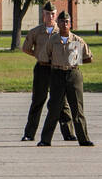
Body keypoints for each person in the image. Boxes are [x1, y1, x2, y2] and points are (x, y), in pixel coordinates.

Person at [38, 11, 94, 147]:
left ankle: (84, 139)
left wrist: (73, 63)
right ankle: (45, 140)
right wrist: (56, 63)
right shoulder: (53, 40)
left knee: (77, 108)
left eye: (67, 22)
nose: (64, 24)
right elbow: (43, 58)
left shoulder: (77, 40)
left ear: (71, 24)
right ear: (59, 23)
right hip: (57, 74)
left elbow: (89, 58)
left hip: (73, 74)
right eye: (62, 21)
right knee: (54, 108)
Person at [21, 2, 74, 142]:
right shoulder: (36, 32)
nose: (50, 16)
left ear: (56, 16)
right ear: (42, 15)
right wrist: (39, 55)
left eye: (52, 14)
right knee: (38, 100)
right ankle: (29, 133)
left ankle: (69, 133)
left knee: (62, 102)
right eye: (47, 14)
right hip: (42, 68)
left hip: (57, 70)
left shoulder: (62, 32)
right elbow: (25, 48)